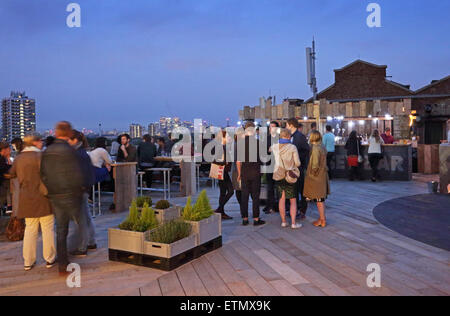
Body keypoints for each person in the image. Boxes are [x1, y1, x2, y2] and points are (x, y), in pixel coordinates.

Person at [40, 121, 85, 276]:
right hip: (71, 194)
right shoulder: (70, 151)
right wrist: (80, 189)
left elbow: (43, 174)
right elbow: (77, 174)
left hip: (55, 194)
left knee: (60, 229)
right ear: (69, 133)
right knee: (80, 225)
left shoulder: (47, 150)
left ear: (56, 132)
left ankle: (62, 264)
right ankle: (74, 250)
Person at [8, 134, 56, 271]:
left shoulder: (19, 158)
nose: (42, 143)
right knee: (47, 228)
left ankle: (28, 261)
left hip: (26, 197)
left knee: (30, 229)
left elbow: (12, 173)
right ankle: (49, 258)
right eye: (40, 141)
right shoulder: (42, 156)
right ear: (35, 142)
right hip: (43, 197)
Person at [68, 130, 97, 257]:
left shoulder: (77, 155)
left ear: (75, 140)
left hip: (78, 190)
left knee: (80, 220)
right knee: (86, 216)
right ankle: (91, 242)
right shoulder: (83, 153)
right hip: (84, 189)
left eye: (69, 139)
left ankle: (82, 247)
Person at [272, 129, 302, 229]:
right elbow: (298, 163)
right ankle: (293, 223)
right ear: (289, 136)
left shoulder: (275, 147)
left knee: (282, 198)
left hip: (279, 174)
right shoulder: (292, 147)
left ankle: (284, 221)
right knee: (293, 199)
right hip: (290, 175)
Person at [237, 122, 265, 226]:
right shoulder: (259, 143)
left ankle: (245, 219)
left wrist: (239, 174)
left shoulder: (240, 143)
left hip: (244, 173)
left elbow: (238, 161)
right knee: (255, 197)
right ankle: (256, 219)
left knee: (244, 196)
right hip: (256, 173)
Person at [304, 131, 330, 228]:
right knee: (321, 199)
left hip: (317, 177)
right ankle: (322, 218)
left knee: (319, 199)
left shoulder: (315, 148)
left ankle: (322, 220)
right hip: (322, 175)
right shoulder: (322, 146)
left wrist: (311, 175)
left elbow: (314, 165)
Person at [286, 118, 310, 219]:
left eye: (287, 125)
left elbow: (306, 150)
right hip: (291, 167)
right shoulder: (291, 136)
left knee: (300, 189)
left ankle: (302, 211)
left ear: (291, 125)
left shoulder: (299, 136)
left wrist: (297, 158)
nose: (286, 127)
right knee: (293, 190)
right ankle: (294, 210)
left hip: (298, 167)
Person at [213, 131, 233, 220]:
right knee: (230, 191)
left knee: (223, 192)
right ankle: (219, 209)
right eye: (227, 137)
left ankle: (221, 211)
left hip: (222, 171)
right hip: (221, 171)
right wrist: (225, 162)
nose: (228, 139)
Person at [263, 121, 280, 214]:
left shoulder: (280, 138)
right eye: (270, 127)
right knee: (270, 187)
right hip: (269, 165)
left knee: (278, 187)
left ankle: (278, 205)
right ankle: (270, 206)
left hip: (278, 166)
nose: (271, 128)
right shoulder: (267, 138)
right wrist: (268, 150)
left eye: (273, 127)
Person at [0, 142, 13, 214]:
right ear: (4, 150)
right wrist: (8, 158)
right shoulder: (1, 159)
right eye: (9, 149)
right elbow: (9, 169)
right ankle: (9, 206)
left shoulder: (2, 158)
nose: (10, 150)